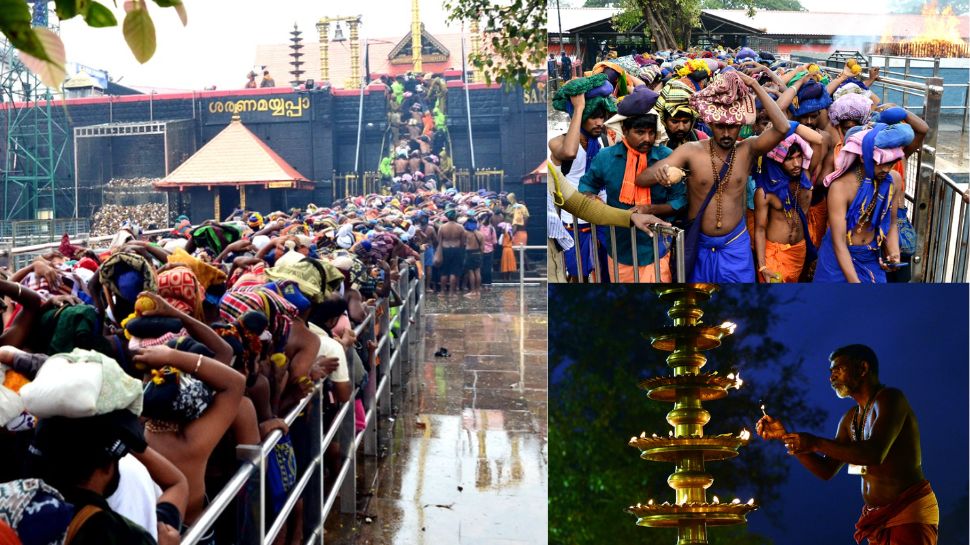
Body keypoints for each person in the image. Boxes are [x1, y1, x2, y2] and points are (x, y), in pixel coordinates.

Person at [756, 344, 938, 545]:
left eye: (838, 369)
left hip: (908, 512)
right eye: (831, 372)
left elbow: (874, 454)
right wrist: (787, 437)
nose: (831, 377)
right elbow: (826, 470)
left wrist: (815, 442)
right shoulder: (850, 418)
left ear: (862, 368)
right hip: (877, 519)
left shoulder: (891, 399)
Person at [640, 70, 790, 283]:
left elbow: (782, 127)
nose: (727, 133)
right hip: (698, 244)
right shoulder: (691, 150)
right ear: (710, 123)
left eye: (733, 127)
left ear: (741, 125)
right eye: (720, 126)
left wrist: (754, 85)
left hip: (735, 246)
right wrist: (661, 173)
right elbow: (643, 178)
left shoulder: (748, 149)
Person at [579, 86, 682, 282]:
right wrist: (595, 203)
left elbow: (680, 199)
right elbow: (586, 186)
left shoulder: (666, 157)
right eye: (640, 132)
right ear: (625, 130)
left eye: (652, 133)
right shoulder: (606, 157)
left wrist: (650, 208)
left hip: (656, 248)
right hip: (619, 247)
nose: (647, 139)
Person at [813, 122, 913, 283]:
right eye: (880, 162)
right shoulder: (840, 188)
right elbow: (839, 243)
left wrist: (893, 253)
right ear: (863, 157)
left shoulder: (893, 179)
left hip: (870, 256)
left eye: (891, 163)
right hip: (836, 259)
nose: (886, 169)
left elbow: (892, 223)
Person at [549, 75, 615, 281]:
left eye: (602, 117)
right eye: (593, 116)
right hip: (574, 223)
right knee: (577, 275)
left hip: (603, 218)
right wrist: (578, 109)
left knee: (606, 273)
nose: (599, 122)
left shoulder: (605, 140)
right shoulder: (557, 142)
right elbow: (569, 153)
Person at [753, 133, 821, 283]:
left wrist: (792, 128)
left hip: (798, 252)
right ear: (777, 161)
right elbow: (759, 229)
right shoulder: (765, 191)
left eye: (799, 157)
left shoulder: (805, 180)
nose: (796, 163)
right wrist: (763, 266)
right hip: (774, 256)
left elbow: (819, 140)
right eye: (789, 159)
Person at [437, 209, 465, 296]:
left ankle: (442, 292)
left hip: (445, 249)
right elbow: (462, 242)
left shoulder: (442, 227)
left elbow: (439, 241)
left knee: (444, 272)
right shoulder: (460, 227)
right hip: (456, 250)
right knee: (454, 272)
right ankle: (452, 293)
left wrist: (439, 252)